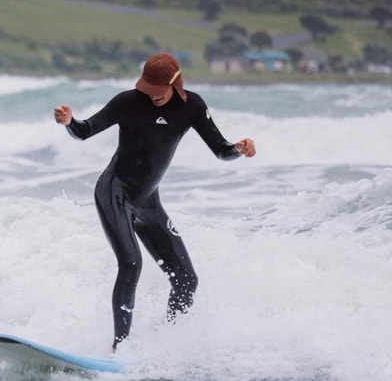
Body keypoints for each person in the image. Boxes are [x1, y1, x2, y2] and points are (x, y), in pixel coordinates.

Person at [52, 53, 256, 352]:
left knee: (187, 281)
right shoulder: (127, 102)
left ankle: (167, 341)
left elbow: (221, 150)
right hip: (114, 193)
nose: (152, 96)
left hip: (149, 203)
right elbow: (85, 130)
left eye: (157, 90)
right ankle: (118, 349)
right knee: (131, 263)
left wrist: (239, 149)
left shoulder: (193, 107)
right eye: (147, 89)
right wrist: (70, 122)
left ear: (175, 83)